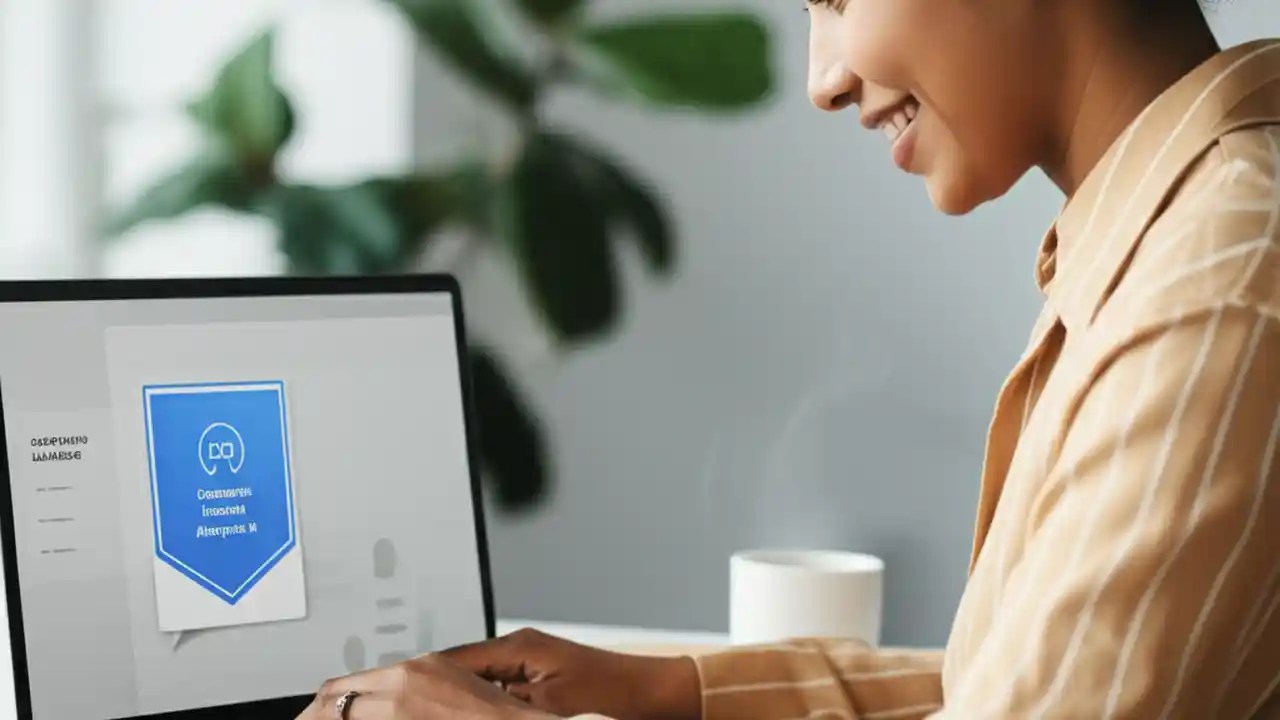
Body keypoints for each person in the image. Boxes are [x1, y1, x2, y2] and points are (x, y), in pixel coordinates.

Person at [297, 0, 1280, 717]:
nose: (822, 78)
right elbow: (1009, 685)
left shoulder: (1214, 279)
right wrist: (663, 688)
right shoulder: (1171, 238)